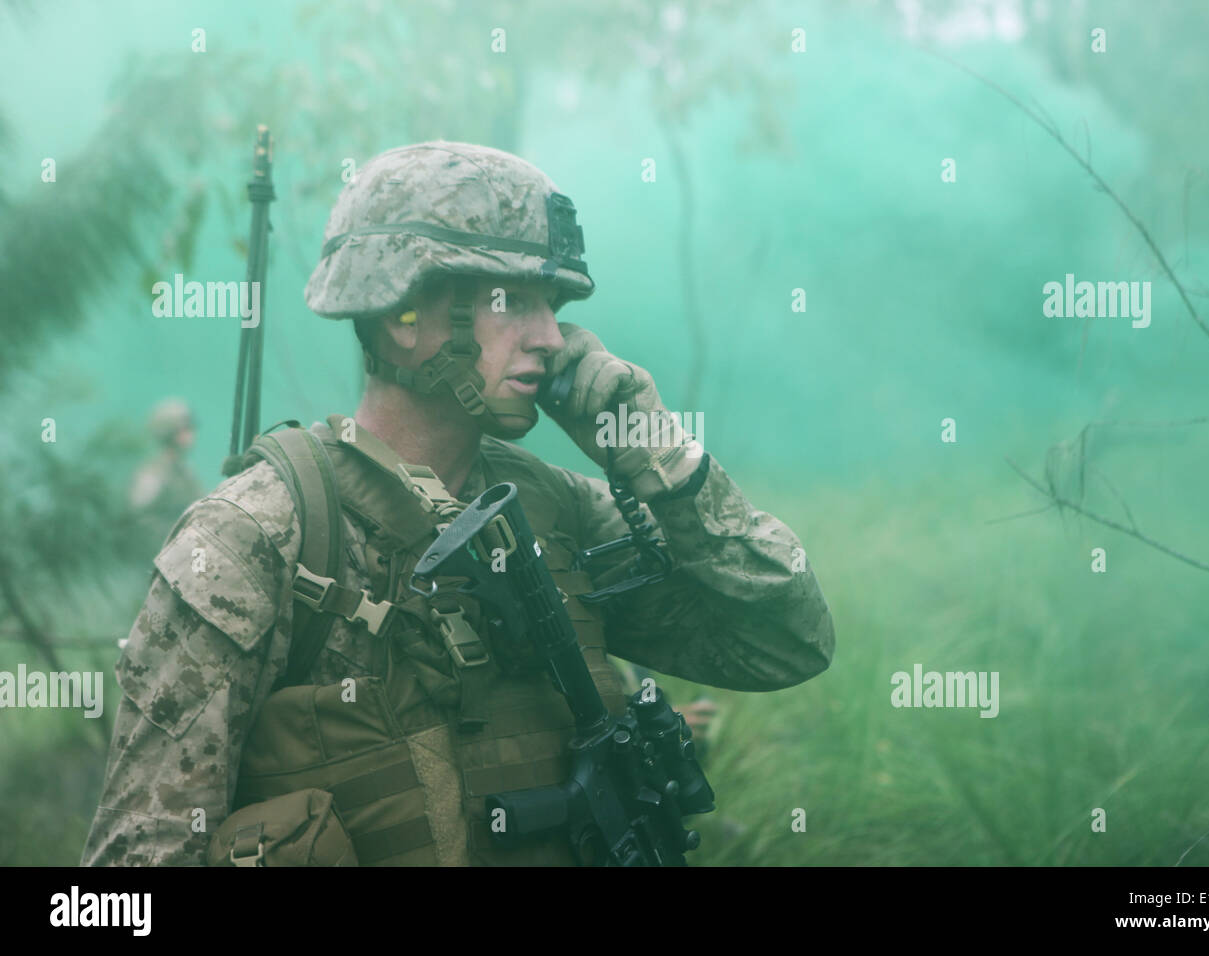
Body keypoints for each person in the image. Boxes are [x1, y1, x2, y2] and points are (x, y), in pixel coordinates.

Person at [82, 141, 834, 867]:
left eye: (555, 303)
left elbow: (785, 641)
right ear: (400, 318)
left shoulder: (557, 515)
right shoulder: (256, 538)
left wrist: (657, 453)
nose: (553, 337)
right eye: (516, 301)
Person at [127, 398, 202, 551]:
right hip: (157, 554)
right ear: (169, 433)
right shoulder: (154, 474)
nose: (191, 434)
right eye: (185, 429)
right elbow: (139, 519)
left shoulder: (184, 473)